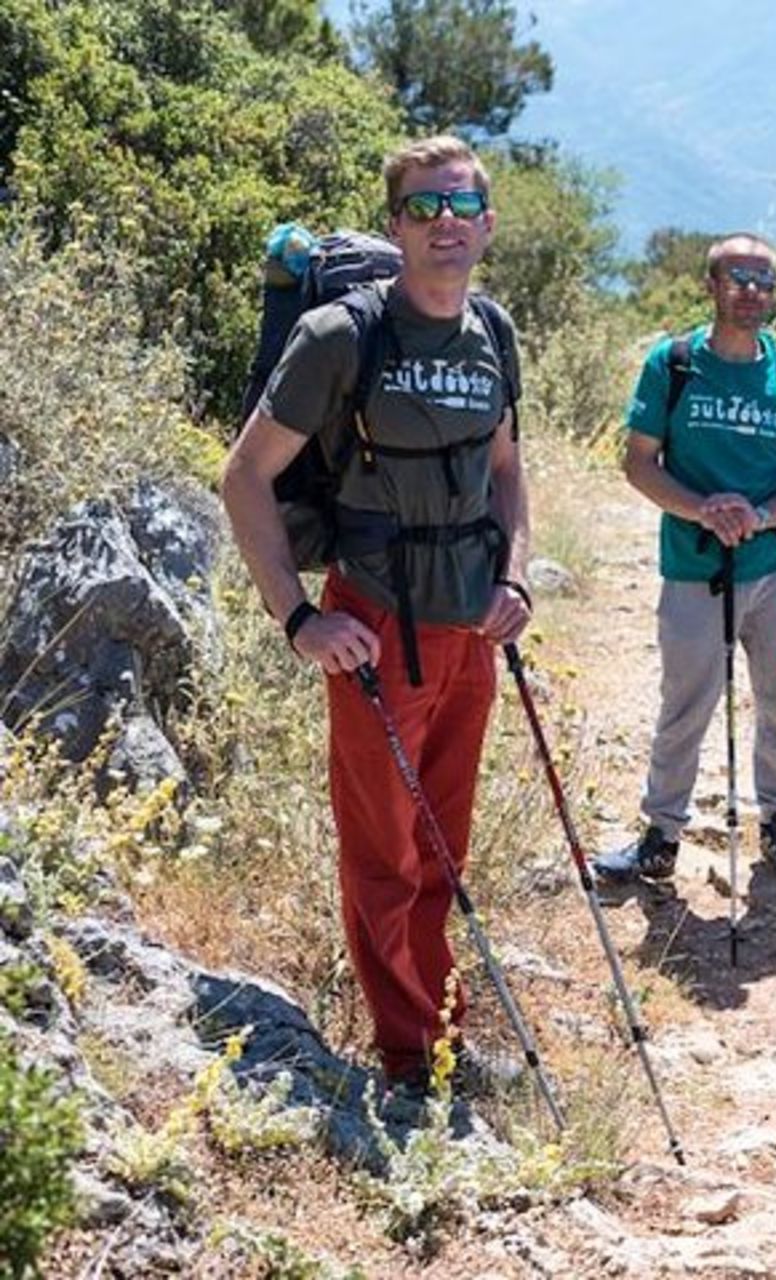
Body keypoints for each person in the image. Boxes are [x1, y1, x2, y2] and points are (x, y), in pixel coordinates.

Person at [220, 136, 531, 1089]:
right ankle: (414, 1061)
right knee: (384, 853)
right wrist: (299, 620)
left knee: (442, 845)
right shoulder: (341, 338)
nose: (446, 224)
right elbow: (243, 479)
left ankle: (437, 1030)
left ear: (487, 223)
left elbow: (509, 473)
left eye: (462, 206)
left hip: (469, 630)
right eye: (425, 209)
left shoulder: (493, 331)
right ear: (396, 226)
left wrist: (514, 580)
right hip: (373, 628)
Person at [593, 233, 776, 899]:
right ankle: (661, 833)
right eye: (738, 278)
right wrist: (706, 510)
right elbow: (639, 463)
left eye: (764, 280)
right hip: (695, 563)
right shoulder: (672, 365)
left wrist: (758, 516)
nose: (752, 291)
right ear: (712, 285)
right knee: (686, 701)